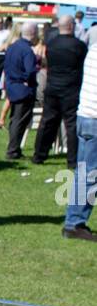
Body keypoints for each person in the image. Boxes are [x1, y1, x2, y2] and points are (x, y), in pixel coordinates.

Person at [32, 15, 87, 167]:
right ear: (70, 26)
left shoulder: (51, 44)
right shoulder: (79, 46)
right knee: (71, 125)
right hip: (71, 90)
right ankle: (72, 160)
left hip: (52, 87)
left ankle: (39, 155)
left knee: (47, 122)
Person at [62, 25, 97, 241]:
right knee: (89, 175)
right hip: (93, 117)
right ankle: (74, 222)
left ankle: (74, 220)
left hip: (85, 115)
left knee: (85, 173)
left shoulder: (92, 50)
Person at [3, 20, 38, 159]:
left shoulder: (12, 47)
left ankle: (14, 148)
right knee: (20, 120)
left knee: (15, 119)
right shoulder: (27, 50)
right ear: (33, 33)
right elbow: (30, 71)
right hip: (23, 88)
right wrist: (25, 79)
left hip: (12, 85)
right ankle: (13, 150)